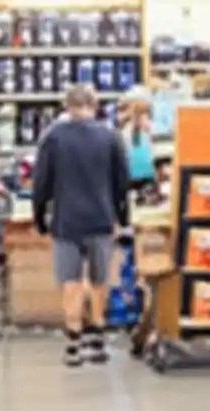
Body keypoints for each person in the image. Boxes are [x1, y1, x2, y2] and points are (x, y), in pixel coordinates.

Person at [32, 83, 131, 367]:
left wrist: (40, 216)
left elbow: (41, 182)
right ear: (95, 105)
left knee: (70, 281)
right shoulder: (110, 136)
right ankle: (97, 337)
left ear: (67, 106)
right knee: (100, 280)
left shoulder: (53, 137)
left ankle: (73, 341)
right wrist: (123, 217)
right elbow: (121, 182)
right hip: (101, 218)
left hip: (66, 221)